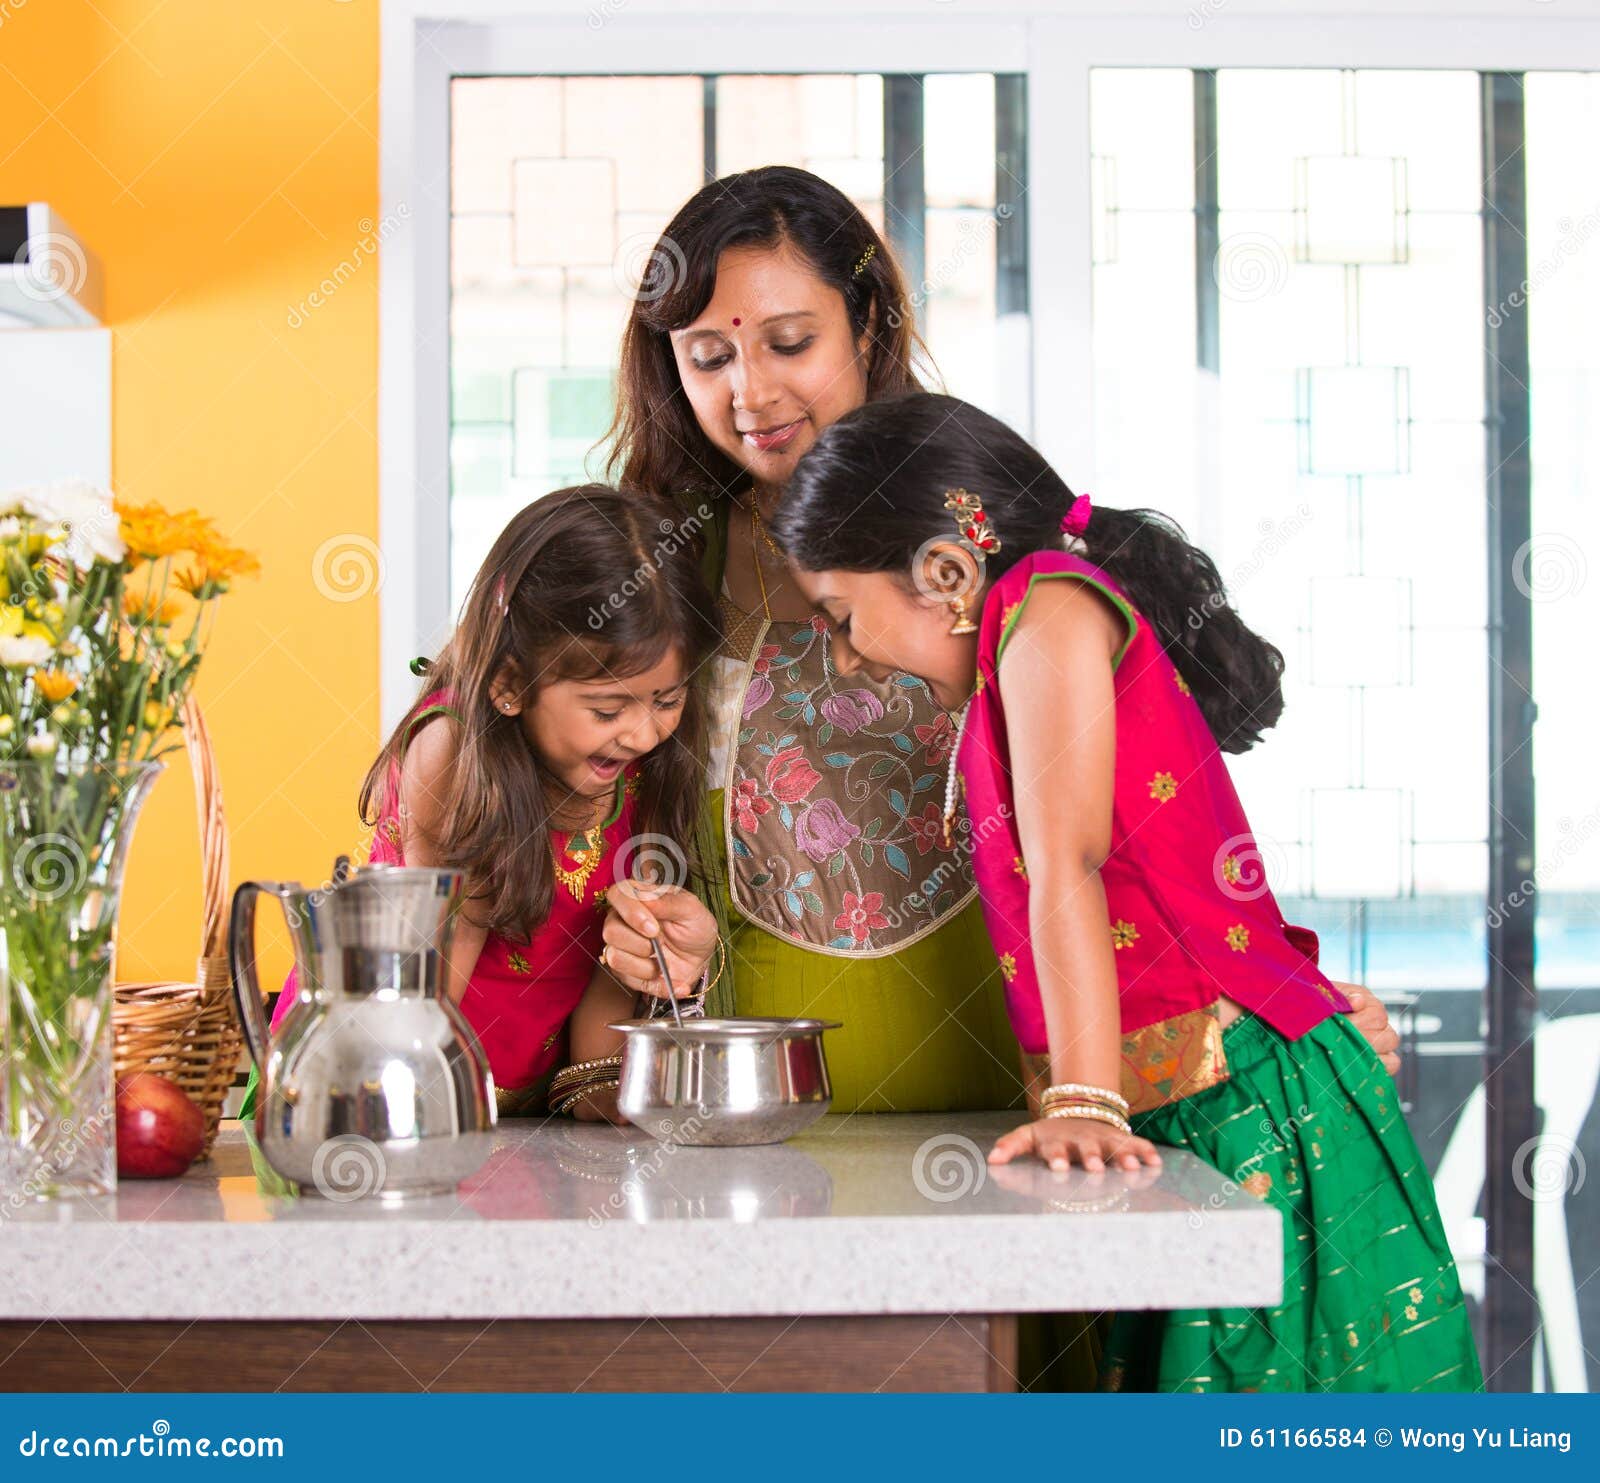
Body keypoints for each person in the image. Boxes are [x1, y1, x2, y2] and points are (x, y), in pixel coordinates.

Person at [603, 164, 1400, 1390]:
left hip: (1036, 1116)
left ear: (868, 324)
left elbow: (1135, 822)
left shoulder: (988, 541)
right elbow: (520, 752)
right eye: (705, 355)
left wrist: (1269, 992)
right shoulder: (646, 565)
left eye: (789, 341)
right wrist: (641, 912)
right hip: (773, 1136)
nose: (748, 391)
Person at [772, 391, 1483, 1393]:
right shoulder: (1020, 634)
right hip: (1197, 1104)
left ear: (942, 570)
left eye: (843, 617)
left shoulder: (1046, 607)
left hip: (1243, 1107)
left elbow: (1074, 861)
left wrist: (1084, 1103)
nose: (846, 655)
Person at [239, 486, 721, 1122]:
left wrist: (607, 1099)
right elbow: (427, 981)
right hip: (378, 1092)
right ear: (510, 684)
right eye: (607, 709)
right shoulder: (450, 752)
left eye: (666, 700)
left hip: (517, 1116)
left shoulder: (644, 767)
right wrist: (417, 1129)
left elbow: (608, 976)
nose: (642, 734)